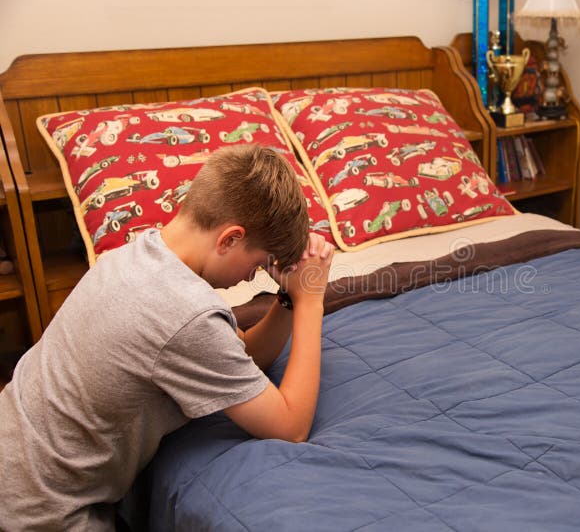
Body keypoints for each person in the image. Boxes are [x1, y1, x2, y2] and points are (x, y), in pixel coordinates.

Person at [0, 144, 335, 530]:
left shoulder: (139, 253)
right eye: (258, 263)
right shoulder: (186, 314)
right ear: (229, 239)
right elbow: (291, 428)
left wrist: (289, 298)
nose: (251, 277)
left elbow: (242, 358)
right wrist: (312, 302)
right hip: (40, 513)